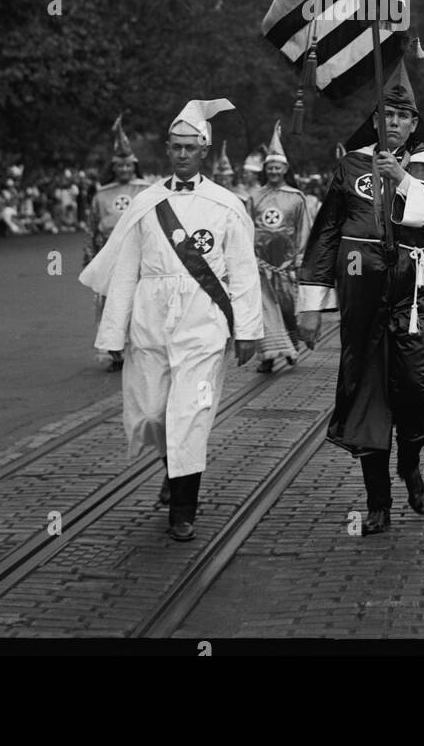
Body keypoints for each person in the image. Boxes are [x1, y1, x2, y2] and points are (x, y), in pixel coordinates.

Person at [80, 97, 263, 541]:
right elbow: (125, 271)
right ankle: (172, 468)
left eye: (190, 147)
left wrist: (248, 331)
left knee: (190, 414)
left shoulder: (227, 204)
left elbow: (242, 271)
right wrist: (111, 333)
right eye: (176, 146)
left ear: (203, 150)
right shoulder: (146, 202)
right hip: (149, 321)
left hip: (203, 323)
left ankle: (183, 508)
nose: (182, 154)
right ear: (168, 148)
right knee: (150, 415)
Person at [296, 63, 424, 535]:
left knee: (413, 388)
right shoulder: (351, 165)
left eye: (401, 116)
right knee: (368, 395)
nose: (392, 122)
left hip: (416, 300)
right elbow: (327, 233)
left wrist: (405, 181)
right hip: (363, 299)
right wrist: (311, 305)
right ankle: (378, 503)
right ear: (375, 120)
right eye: (385, 114)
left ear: (413, 123)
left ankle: (409, 465)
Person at [84, 116, 150, 371]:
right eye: (119, 166)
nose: (124, 170)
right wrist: (90, 256)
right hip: (108, 255)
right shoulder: (101, 195)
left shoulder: (147, 190)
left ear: (134, 166)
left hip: (138, 255)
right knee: (110, 302)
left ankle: (138, 346)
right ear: (114, 168)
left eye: (128, 166)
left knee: (137, 302)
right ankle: (115, 350)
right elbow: (91, 226)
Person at [249, 121, 311, 374]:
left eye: (278, 167)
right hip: (260, 264)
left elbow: (304, 230)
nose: (274, 171)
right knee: (264, 311)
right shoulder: (254, 197)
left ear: (285, 169)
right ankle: (267, 356)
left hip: (286, 265)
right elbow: (246, 229)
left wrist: (298, 258)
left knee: (286, 310)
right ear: (266, 169)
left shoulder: (296, 198)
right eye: (270, 167)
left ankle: (291, 348)